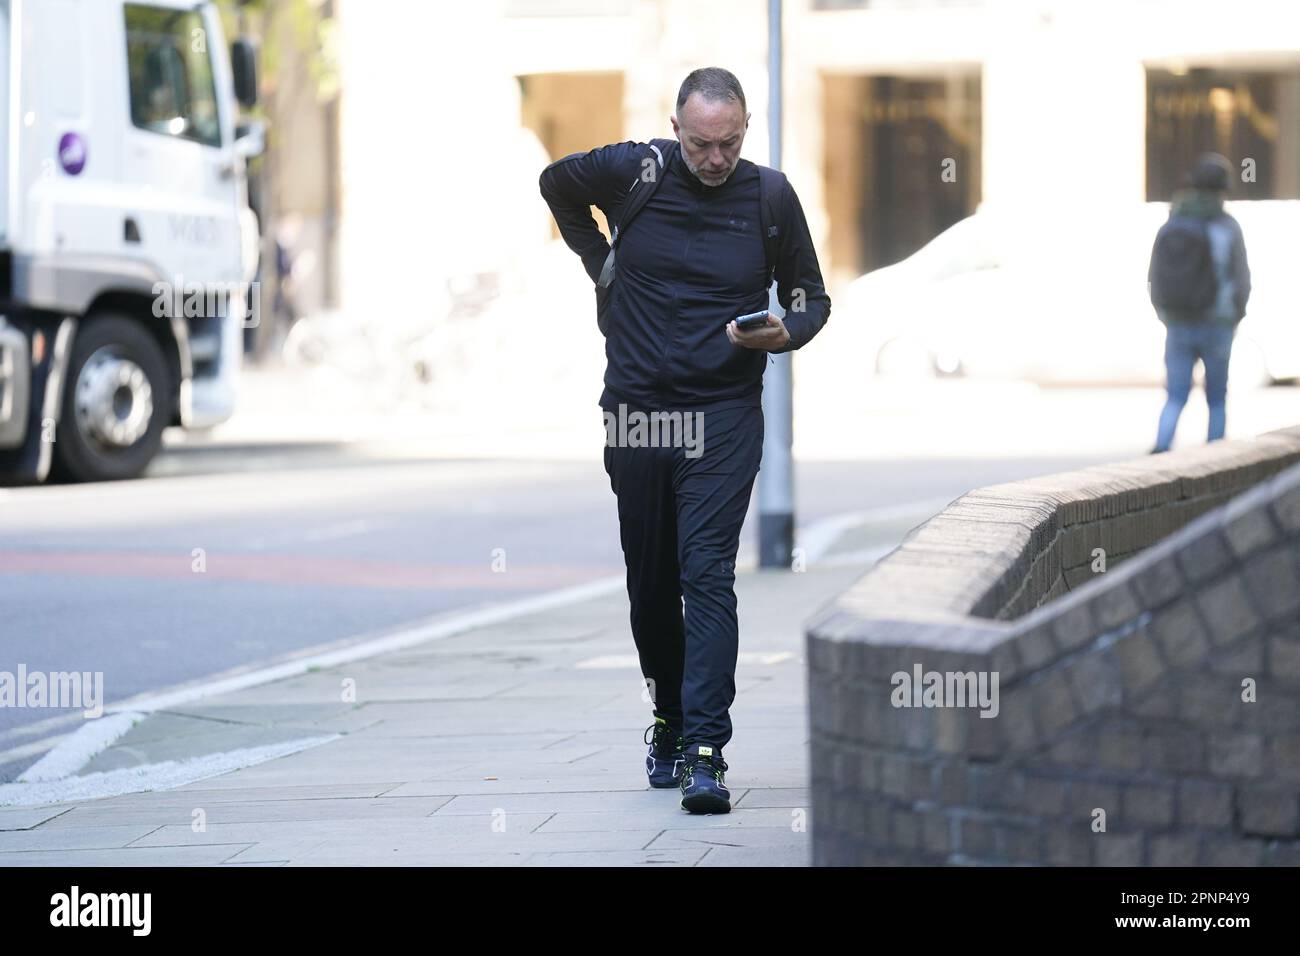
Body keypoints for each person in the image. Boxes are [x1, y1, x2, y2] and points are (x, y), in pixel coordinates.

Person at [538, 67, 830, 813]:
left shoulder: (769, 196)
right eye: (701, 145)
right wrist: (599, 263)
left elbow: (810, 296)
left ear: (745, 131)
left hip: (723, 414)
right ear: (676, 131)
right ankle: (667, 715)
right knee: (650, 586)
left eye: (729, 143)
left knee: (706, 576)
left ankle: (706, 750)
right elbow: (554, 183)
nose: (715, 159)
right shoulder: (631, 170)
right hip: (637, 413)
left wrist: (784, 331)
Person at [1148, 152, 1251, 453]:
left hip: (1177, 322)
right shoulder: (1227, 226)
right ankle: (1215, 455)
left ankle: (1161, 449)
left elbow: (1153, 275)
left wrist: (1164, 313)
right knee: (1216, 397)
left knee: (1175, 395)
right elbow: (1241, 277)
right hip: (1217, 323)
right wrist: (1235, 316)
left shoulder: (1173, 221)